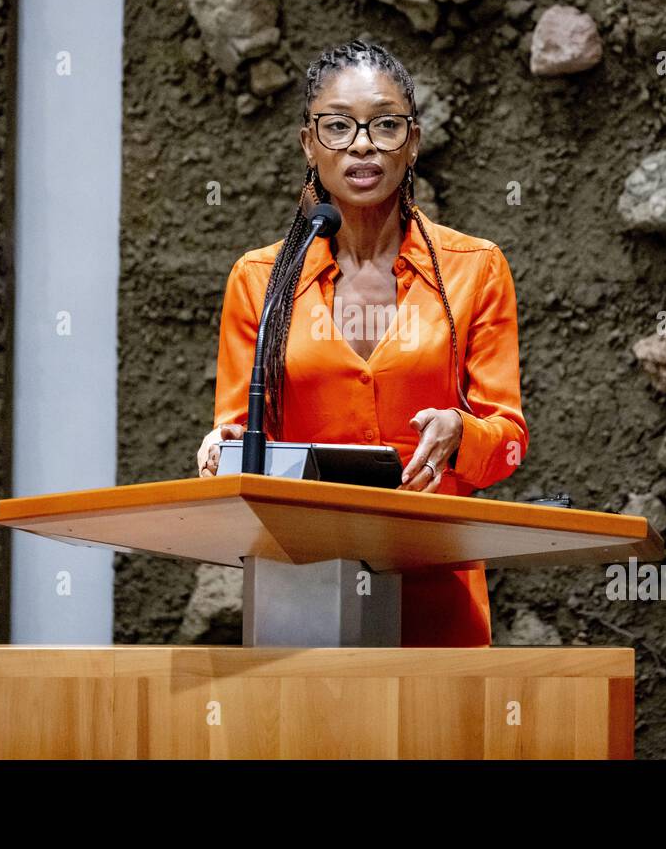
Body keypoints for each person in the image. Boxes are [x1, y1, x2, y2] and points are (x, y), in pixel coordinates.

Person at [195, 38, 528, 647]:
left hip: (435, 579)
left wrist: (462, 434)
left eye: (385, 125)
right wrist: (223, 448)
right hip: (302, 588)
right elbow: (239, 437)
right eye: (338, 126)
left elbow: (507, 443)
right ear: (308, 144)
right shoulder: (259, 281)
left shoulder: (475, 269)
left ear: (414, 141)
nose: (362, 143)